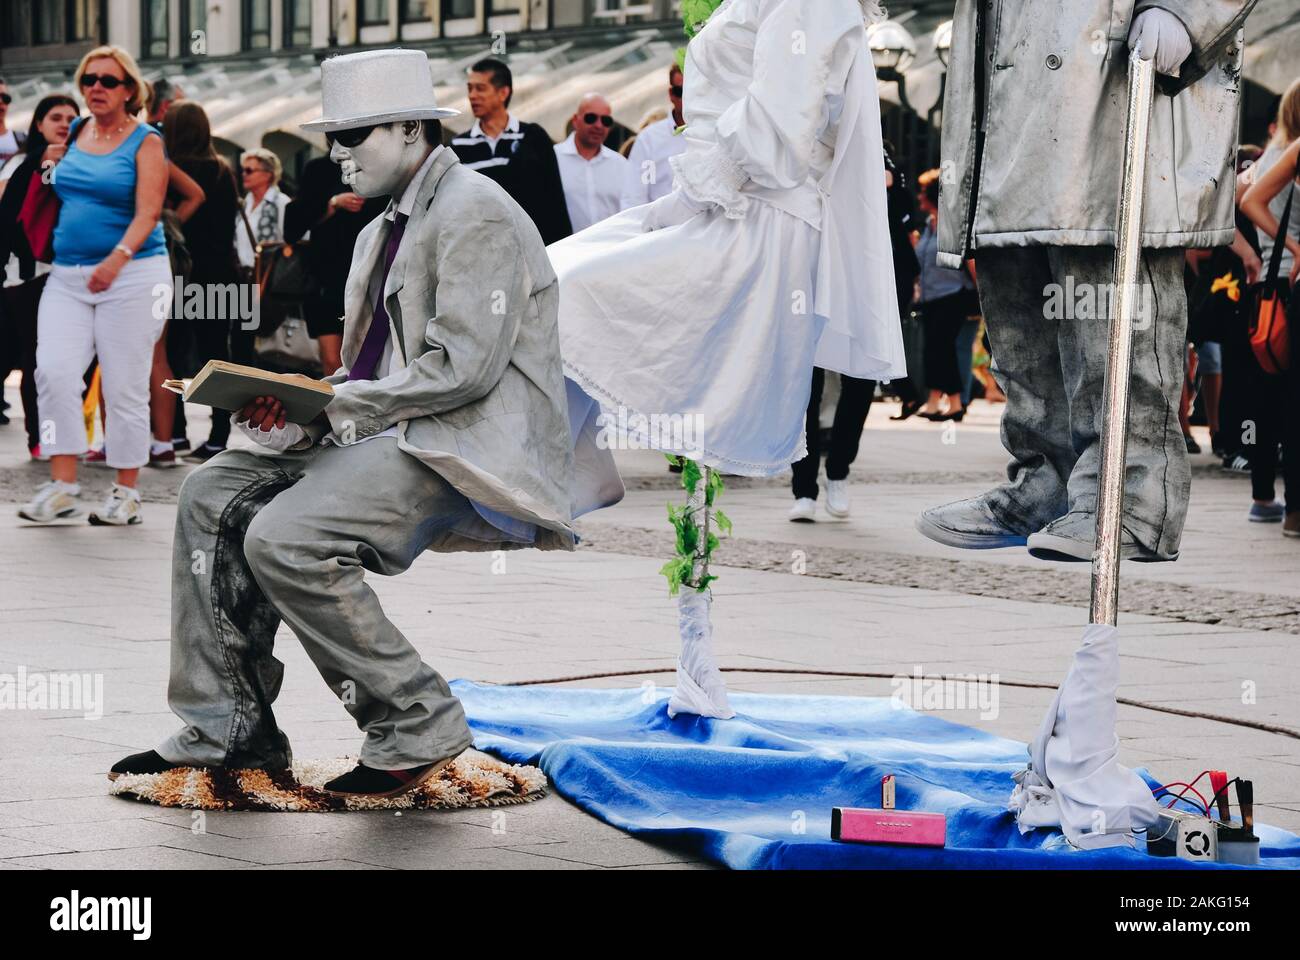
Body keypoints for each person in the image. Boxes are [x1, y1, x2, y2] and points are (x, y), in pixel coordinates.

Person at [106, 50, 620, 797]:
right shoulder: (382, 230)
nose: (336, 155)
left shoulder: (475, 211)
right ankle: (224, 728)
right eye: (332, 139)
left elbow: (465, 370)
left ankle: (419, 721)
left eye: (353, 136)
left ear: (413, 129)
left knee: (286, 537)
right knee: (209, 492)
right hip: (400, 428)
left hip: (466, 443)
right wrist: (305, 400)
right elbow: (368, 372)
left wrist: (340, 404)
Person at [549, 0, 903, 718]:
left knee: (564, 289)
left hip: (756, 223)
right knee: (556, 279)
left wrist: (702, 183)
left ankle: (569, 465)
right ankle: (690, 642)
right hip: (731, 205)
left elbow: (778, 127)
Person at [916, 0, 1257, 563]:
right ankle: (1047, 483)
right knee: (1020, 315)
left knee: (1110, 313)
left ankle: (1132, 500)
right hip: (1006, 110)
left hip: (1110, 85)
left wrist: (1189, 13)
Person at [16, 46, 172, 526]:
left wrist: (116, 259)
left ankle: (126, 493)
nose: (96, 89)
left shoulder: (146, 141)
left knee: (124, 385)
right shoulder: (78, 132)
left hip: (134, 274)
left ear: (129, 90)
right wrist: (51, 162)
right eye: (89, 80)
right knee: (53, 372)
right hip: (68, 274)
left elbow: (149, 212)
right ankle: (63, 485)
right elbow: (52, 187)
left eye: (107, 80)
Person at [0, 94, 79, 459]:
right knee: (37, 360)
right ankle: (40, 437)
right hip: (30, 275)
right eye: (56, 117)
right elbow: (22, 214)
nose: (64, 123)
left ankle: (61, 435)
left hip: (71, 274)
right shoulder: (33, 162)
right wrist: (48, 165)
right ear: (39, 124)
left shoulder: (82, 161)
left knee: (62, 361)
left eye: (71, 117)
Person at [162, 101, 242, 464]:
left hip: (180, 273)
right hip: (222, 272)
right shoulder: (223, 170)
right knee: (217, 356)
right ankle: (218, 434)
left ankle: (174, 431)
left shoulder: (173, 171)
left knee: (171, 353)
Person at [1240, 80, 1300, 540]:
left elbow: (1238, 200)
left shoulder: (1264, 159)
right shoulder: (1287, 157)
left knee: (1268, 396)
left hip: (1267, 285)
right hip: (1284, 285)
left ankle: (1265, 495)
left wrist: (1250, 255)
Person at [284, 155, 388, 377]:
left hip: (369, 275)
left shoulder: (376, 162)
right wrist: (332, 203)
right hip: (326, 279)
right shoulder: (318, 169)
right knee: (331, 361)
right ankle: (335, 410)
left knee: (368, 359)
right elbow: (292, 227)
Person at [450, 58, 573, 244]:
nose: (472, 95)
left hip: (530, 253)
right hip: (481, 253)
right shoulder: (459, 146)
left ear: (503, 93)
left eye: (480, 88)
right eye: (470, 88)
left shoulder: (533, 138)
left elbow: (554, 203)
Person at [913, 169, 978, 422]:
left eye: (922, 192)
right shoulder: (929, 225)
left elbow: (970, 261)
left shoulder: (953, 224)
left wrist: (980, 296)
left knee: (943, 347)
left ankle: (954, 403)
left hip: (955, 294)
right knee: (933, 349)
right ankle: (932, 402)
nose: (919, 197)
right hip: (931, 296)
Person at [554, 93, 627, 233]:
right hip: (566, 250)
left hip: (612, 249)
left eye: (606, 120)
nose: (598, 125)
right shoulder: (553, 159)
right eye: (591, 118)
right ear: (575, 120)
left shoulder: (621, 165)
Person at [620, 64, 687, 210]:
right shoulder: (650, 139)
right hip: (665, 229)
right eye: (680, 91)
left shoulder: (716, 131)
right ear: (671, 94)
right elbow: (635, 195)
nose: (686, 97)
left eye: (692, 90)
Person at [234, 147, 290, 270]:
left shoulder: (281, 202)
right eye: (243, 170)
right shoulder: (244, 204)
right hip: (244, 277)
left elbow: (296, 241)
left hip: (270, 279)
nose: (243, 174)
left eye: (249, 170)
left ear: (268, 174)